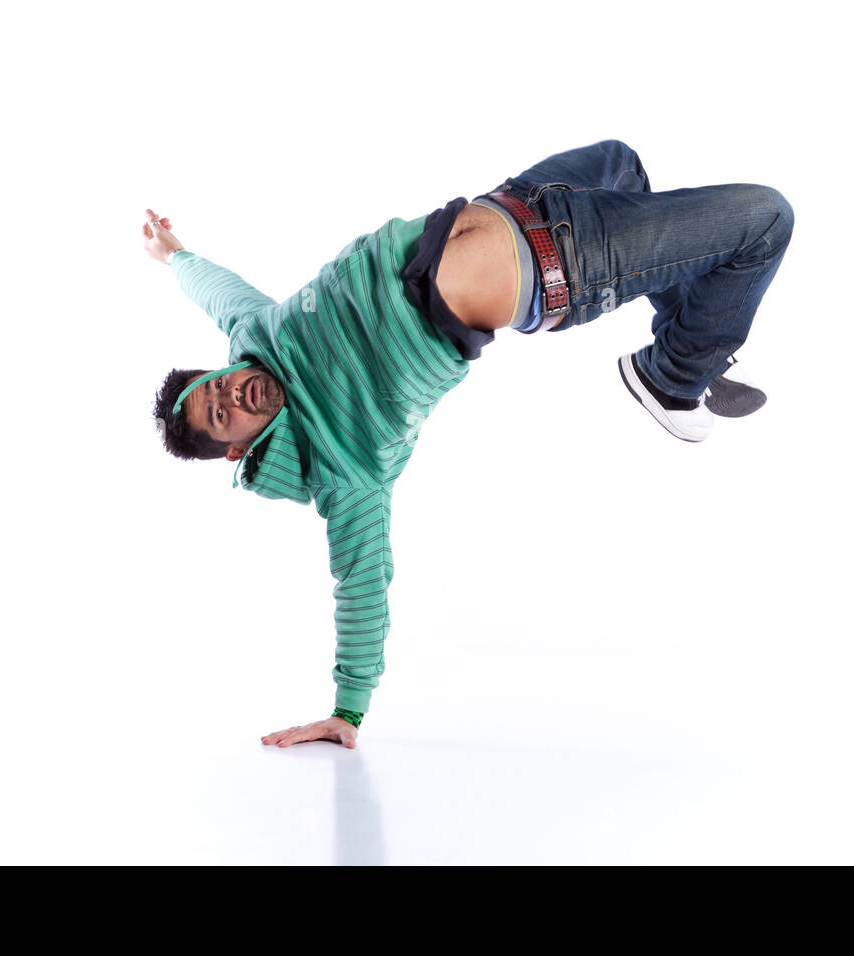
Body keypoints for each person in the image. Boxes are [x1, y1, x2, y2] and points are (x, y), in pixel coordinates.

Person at [143, 140, 793, 749]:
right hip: (558, 263)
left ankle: (691, 337)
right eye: (221, 417)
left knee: (620, 163)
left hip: (517, 202)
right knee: (766, 220)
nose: (231, 398)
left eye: (216, 389)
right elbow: (361, 583)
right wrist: (348, 708)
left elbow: (217, 293)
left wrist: (174, 255)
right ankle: (674, 375)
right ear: (237, 448)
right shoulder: (344, 465)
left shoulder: (258, 333)